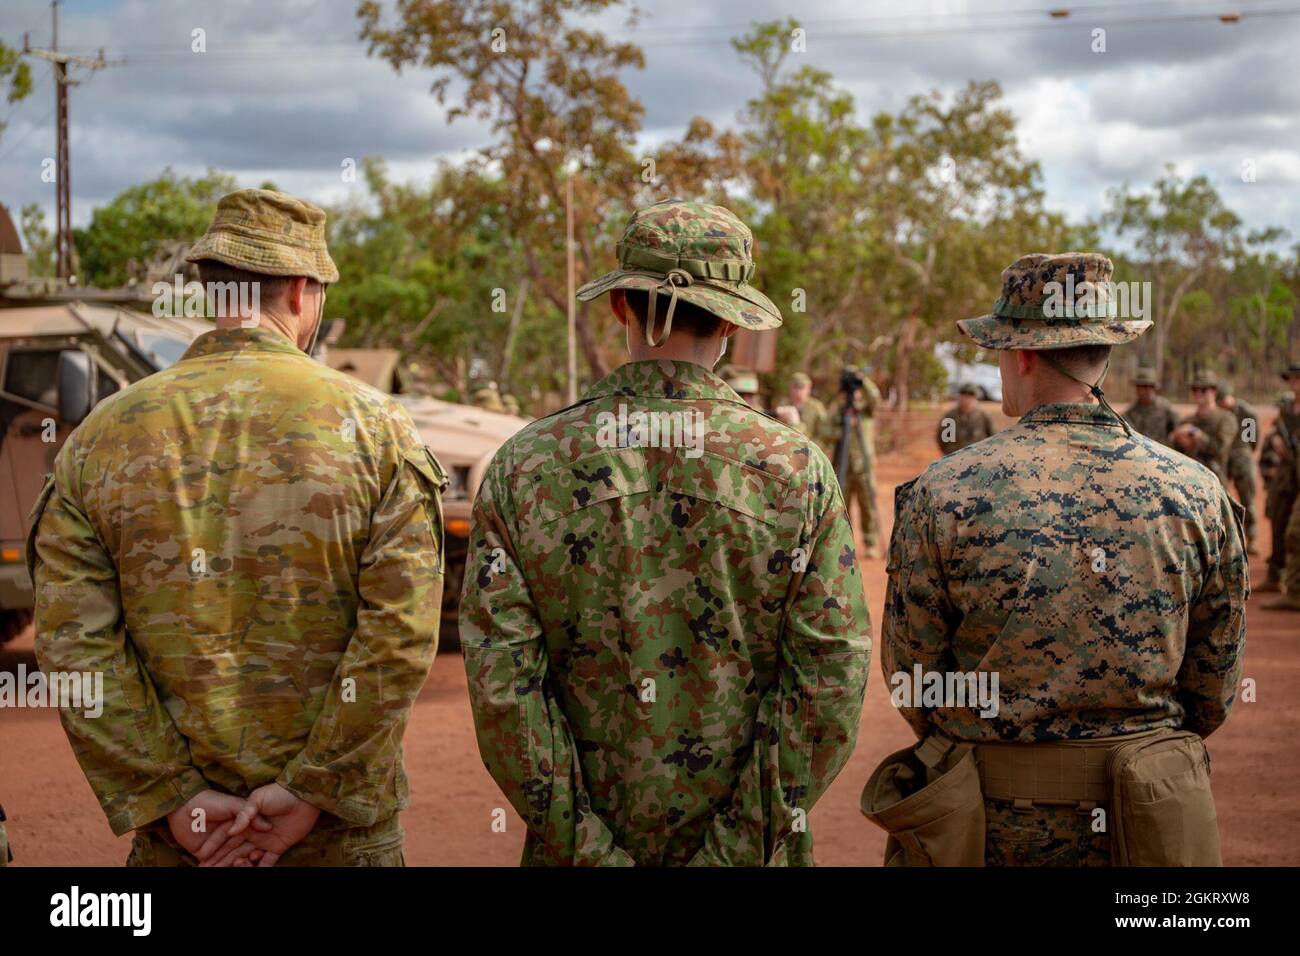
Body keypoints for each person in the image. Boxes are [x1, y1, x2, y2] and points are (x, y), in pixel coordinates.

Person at [29, 189, 446, 867]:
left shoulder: (99, 437)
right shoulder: (377, 428)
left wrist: (173, 797)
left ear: (209, 290)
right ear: (305, 291)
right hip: (341, 841)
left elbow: (74, 646)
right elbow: (400, 631)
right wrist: (314, 788)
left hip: (185, 845)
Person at [459, 199, 870, 866]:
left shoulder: (525, 466)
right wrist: (733, 853)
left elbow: (506, 694)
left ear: (621, 306)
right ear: (734, 322)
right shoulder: (795, 471)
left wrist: (589, 853)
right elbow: (830, 683)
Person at [876, 253, 1247, 866]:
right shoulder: (1196, 490)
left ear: (1019, 354)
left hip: (989, 828)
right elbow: (1212, 690)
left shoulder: (945, 490)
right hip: (1148, 825)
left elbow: (914, 678)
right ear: (1103, 351)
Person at [817, 368, 883, 558]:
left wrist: (863, 380)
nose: (852, 394)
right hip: (842, 466)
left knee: (867, 505)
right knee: (841, 506)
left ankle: (870, 542)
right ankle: (844, 542)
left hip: (864, 467)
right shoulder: (837, 411)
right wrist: (842, 432)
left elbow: (875, 399)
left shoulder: (865, 411)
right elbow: (824, 431)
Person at [1263, 363, 1300, 610]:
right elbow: (1257, 435)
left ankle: (1294, 589)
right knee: (1277, 519)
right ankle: (1275, 574)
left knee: (1294, 532)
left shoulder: (1242, 412)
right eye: (1291, 379)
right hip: (1287, 475)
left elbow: (1247, 426)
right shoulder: (1286, 411)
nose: (1294, 383)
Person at [1216, 380, 1261, 555]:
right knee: (1223, 500)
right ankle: (1226, 540)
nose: (1222, 404)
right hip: (1223, 461)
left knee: (1247, 499)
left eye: (1224, 399)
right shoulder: (1218, 413)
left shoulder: (1245, 413)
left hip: (1242, 459)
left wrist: (1242, 457)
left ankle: (1252, 538)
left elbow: (1251, 442)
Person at [1172, 371, 1238, 486]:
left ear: (1214, 391)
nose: (1198, 393)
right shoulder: (1187, 421)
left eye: (1203, 390)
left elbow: (1220, 448)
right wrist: (1176, 439)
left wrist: (1196, 435)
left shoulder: (1226, 419)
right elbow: (1174, 453)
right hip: (1189, 483)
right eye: (1194, 389)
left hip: (1215, 485)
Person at [1122, 366, 1178, 446]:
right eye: (1144, 386)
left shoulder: (1165, 408)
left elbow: (1177, 430)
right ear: (1137, 388)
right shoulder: (1130, 413)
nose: (1148, 390)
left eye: (1151, 386)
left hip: (1162, 453)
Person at [936, 383, 995, 455]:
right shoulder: (950, 417)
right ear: (959, 397)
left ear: (975, 398)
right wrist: (948, 455)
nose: (967, 399)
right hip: (955, 458)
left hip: (978, 458)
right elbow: (942, 439)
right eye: (964, 396)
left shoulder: (983, 416)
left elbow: (992, 437)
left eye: (970, 396)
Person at [775, 371, 828, 442]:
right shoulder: (783, 404)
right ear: (790, 387)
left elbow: (823, 433)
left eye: (802, 388)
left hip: (809, 447)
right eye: (795, 387)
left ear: (809, 389)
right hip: (786, 445)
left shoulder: (816, 407)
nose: (798, 392)